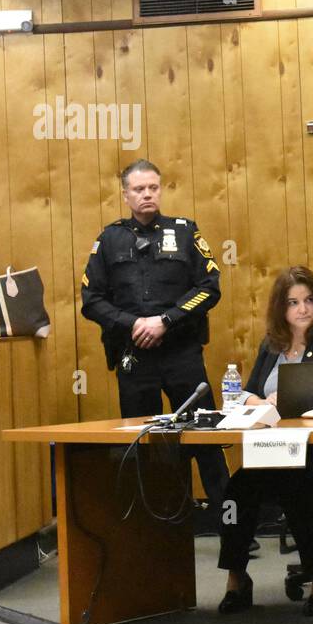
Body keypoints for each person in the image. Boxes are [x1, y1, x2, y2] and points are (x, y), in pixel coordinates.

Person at [80, 159, 229, 527]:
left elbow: (210, 287)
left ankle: (233, 523)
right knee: (141, 443)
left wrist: (165, 321)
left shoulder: (184, 231)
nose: (147, 195)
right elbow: (91, 300)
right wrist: (133, 325)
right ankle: (149, 524)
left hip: (181, 353)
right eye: (138, 189)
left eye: (153, 188)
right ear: (125, 194)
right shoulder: (109, 239)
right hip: (136, 357)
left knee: (204, 439)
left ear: (160, 190)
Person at [216, 266, 313, 616]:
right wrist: (260, 402)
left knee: (297, 483)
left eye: (309, 300)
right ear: (281, 309)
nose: (303, 309)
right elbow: (247, 391)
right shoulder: (274, 344)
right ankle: (237, 578)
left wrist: (293, 397)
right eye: (294, 302)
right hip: (275, 447)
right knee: (236, 488)